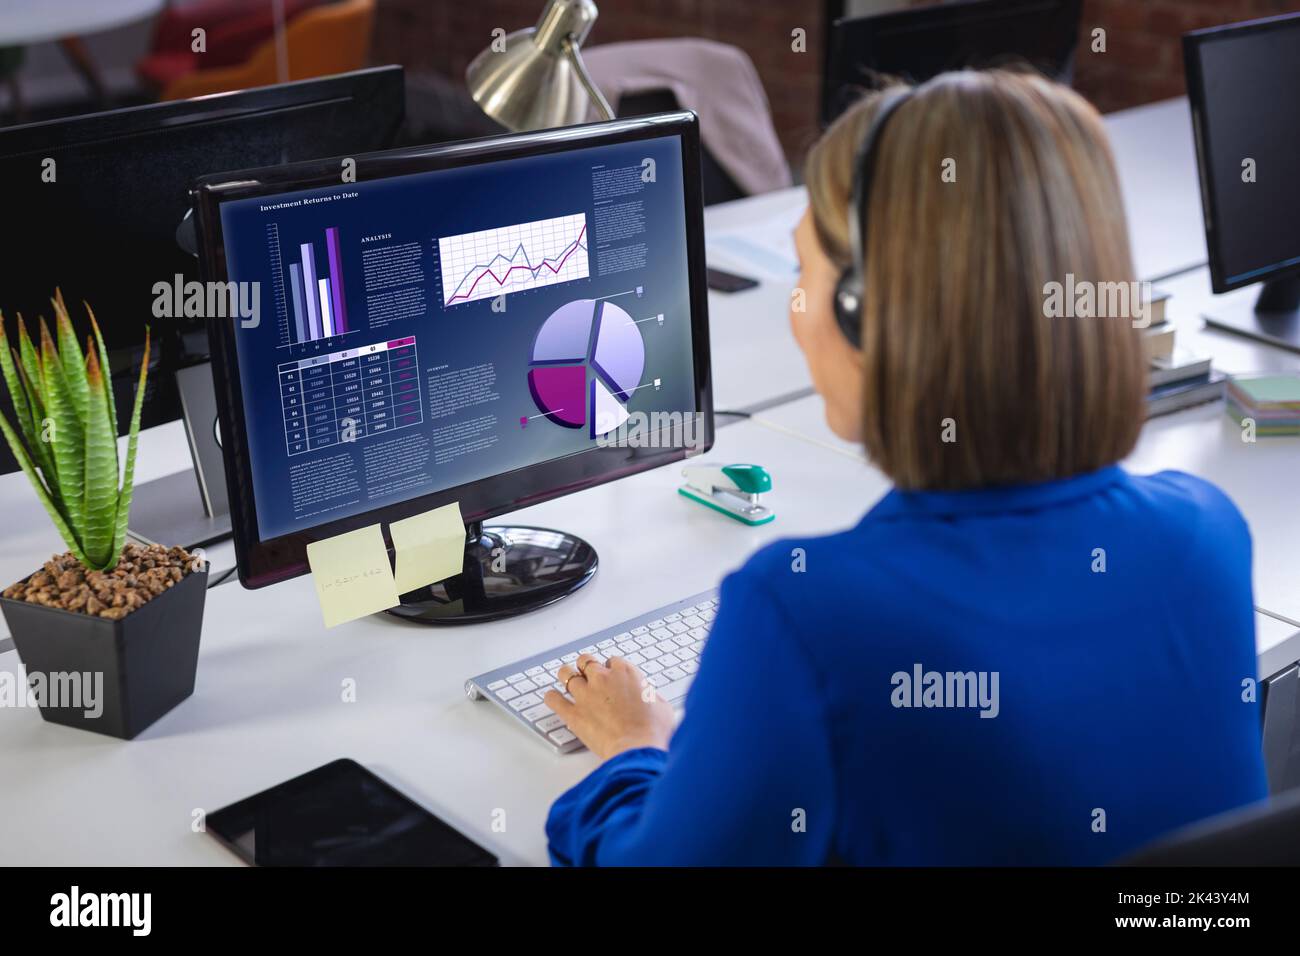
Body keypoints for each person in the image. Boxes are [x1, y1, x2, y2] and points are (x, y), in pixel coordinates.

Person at [542, 70, 1268, 865]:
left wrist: (636, 748)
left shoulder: (805, 612)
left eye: (803, 274)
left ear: (865, 314)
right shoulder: (1207, 533)